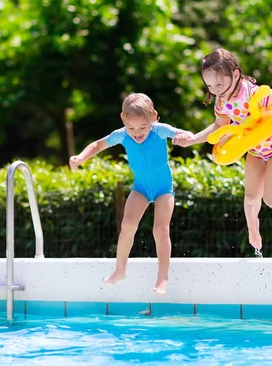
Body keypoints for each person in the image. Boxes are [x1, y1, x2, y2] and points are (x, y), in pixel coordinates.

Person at [174, 48, 272, 254]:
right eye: (209, 85)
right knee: (250, 199)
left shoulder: (255, 96)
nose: (214, 90)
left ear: (236, 74)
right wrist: (193, 139)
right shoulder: (221, 101)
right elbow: (219, 126)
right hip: (256, 151)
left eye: (219, 84)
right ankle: (253, 230)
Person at [70, 93, 194, 294]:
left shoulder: (160, 131)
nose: (136, 133)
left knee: (160, 230)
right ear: (123, 120)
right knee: (127, 225)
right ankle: (120, 270)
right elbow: (98, 144)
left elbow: (183, 133)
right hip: (141, 188)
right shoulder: (122, 135)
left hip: (164, 189)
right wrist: (81, 157)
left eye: (143, 127)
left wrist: (184, 136)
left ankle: (162, 278)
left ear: (153, 117)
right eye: (131, 127)